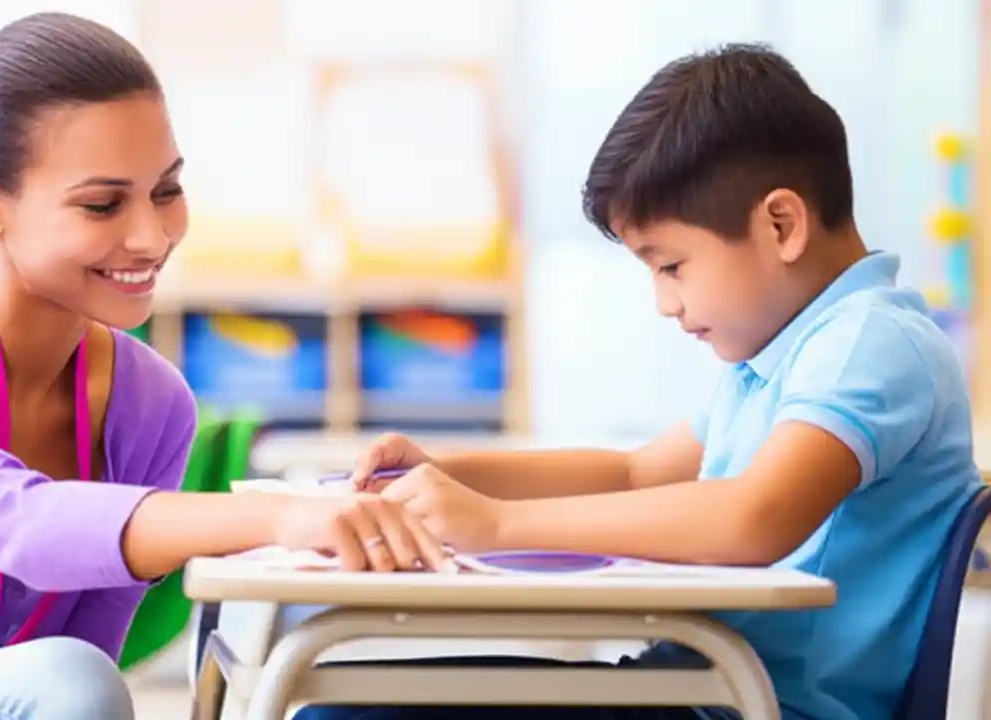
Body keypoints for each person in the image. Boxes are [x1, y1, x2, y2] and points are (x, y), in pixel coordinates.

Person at [0, 12, 445, 720]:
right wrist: (283, 513)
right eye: (101, 205)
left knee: (80, 673)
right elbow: (15, 522)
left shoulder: (151, 406)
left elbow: (89, 661)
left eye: (166, 191)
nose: (151, 236)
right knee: (69, 678)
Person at [296, 44, 984, 720]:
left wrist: (497, 523)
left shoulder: (870, 343)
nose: (664, 302)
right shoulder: (784, 355)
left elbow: (755, 517)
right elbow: (635, 473)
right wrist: (448, 471)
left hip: (751, 706)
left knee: (347, 713)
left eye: (672, 266)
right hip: (701, 689)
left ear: (781, 223)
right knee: (348, 700)